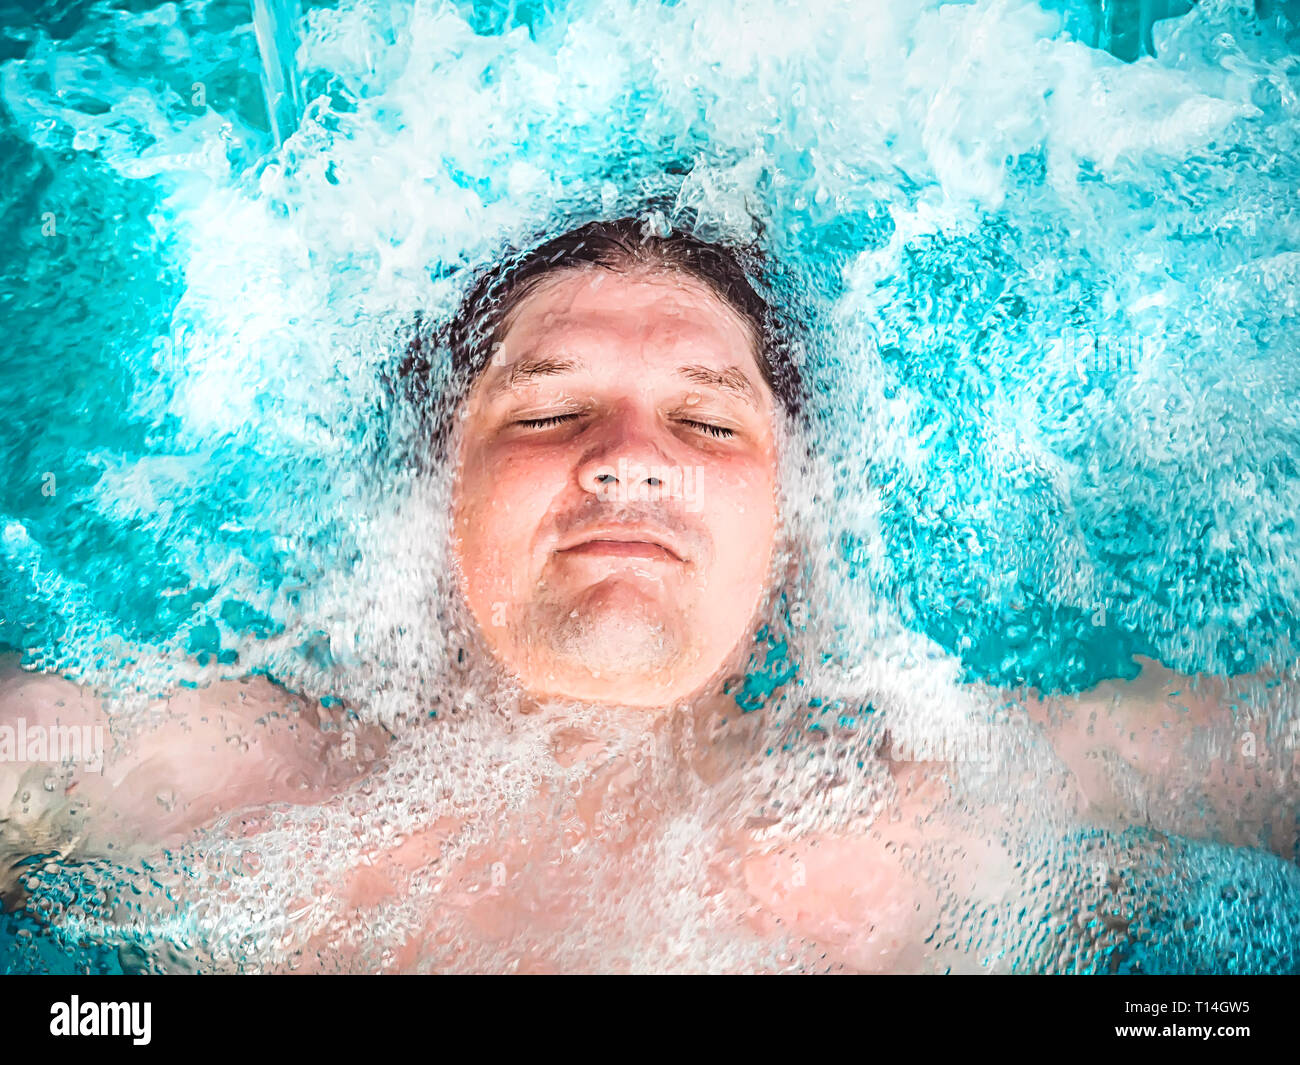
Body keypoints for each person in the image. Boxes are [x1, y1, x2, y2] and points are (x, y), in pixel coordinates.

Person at [0, 216, 1291, 972]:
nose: (628, 455)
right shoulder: (235, 785)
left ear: (795, 536)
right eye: (550, 408)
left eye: (711, 426)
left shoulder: (952, 815)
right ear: (422, 505)